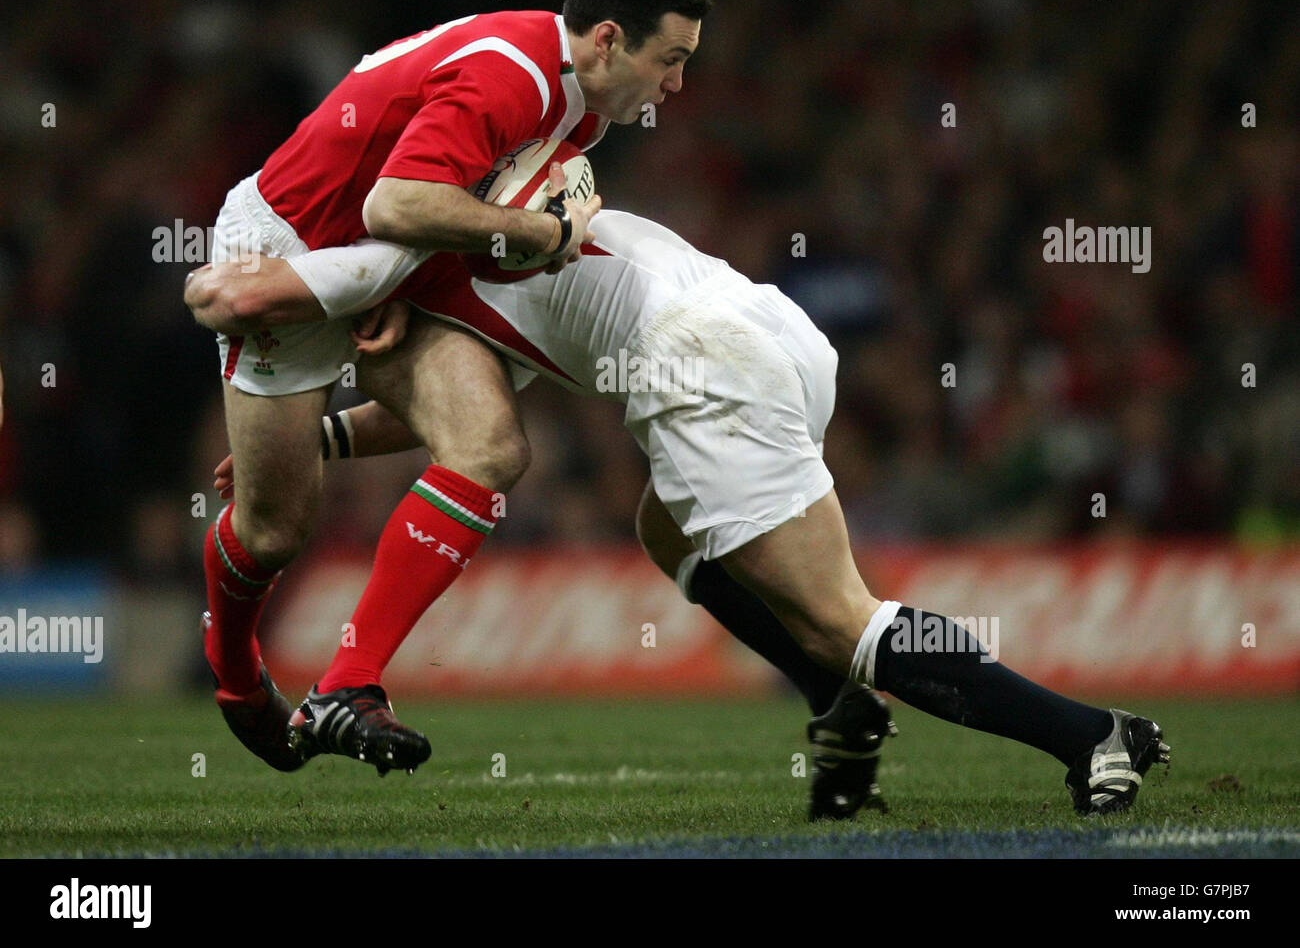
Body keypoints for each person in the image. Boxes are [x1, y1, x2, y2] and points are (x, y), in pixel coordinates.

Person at [206, 201, 1172, 816]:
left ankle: (1088, 734)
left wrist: (282, 394)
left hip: (700, 364)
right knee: (666, 531)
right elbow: (463, 400)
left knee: (840, 613)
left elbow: (265, 305)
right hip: (774, 331)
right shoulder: (498, 225)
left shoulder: (414, 271)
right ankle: (837, 704)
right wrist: (323, 440)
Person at [184, 0, 710, 776]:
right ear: (608, 39)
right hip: (289, 242)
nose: (677, 86)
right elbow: (395, 201)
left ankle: (346, 686)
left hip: (392, 260)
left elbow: (436, 208)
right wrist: (540, 233)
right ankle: (237, 677)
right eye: (671, 60)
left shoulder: (587, 110)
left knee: (491, 446)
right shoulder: (514, 75)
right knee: (275, 530)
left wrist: (416, 278)